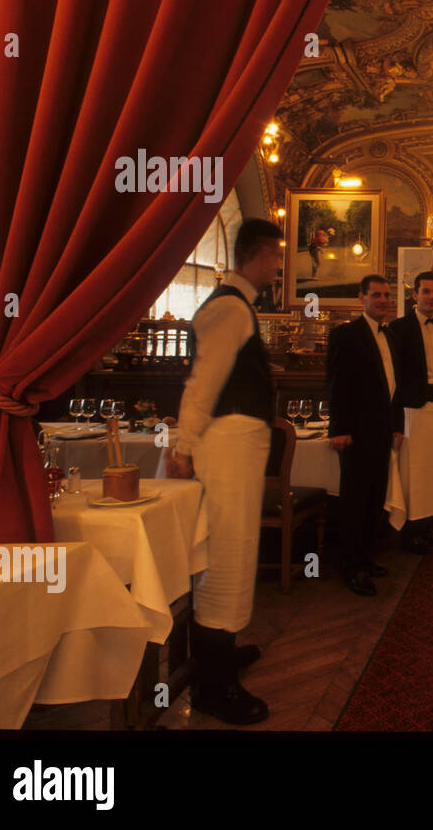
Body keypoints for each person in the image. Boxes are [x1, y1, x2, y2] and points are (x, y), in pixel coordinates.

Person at [167, 218, 283, 725]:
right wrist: (184, 447)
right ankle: (214, 686)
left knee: (237, 550)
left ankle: (221, 651)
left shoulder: (236, 306)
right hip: (226, 445)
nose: (280, 266)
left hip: (239, 443)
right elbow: (203, 383)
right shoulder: (229, 309)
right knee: (225, 554)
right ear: (259, 256)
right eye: (277, 256)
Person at [325, 275, 404, 596]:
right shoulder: (346, 335)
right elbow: (337, 385)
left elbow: (395, 387)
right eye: (376, 295)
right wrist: (339, 429)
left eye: (386, 295)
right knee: (354, 501)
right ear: (362, 298)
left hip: (383, 430)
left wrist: (397, 425)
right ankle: (351, 566)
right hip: (355, 432)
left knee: (375, 499)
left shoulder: (392, 335)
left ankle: (367, 558)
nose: (383, 300)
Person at [387, 271, 433, 553]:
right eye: (426, 291)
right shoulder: (399, 328)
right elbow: (394, 374)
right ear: (414, 295)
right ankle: (409, 533)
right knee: (414, 472)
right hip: (413, 410)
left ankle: (429, 528)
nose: (431, 297)